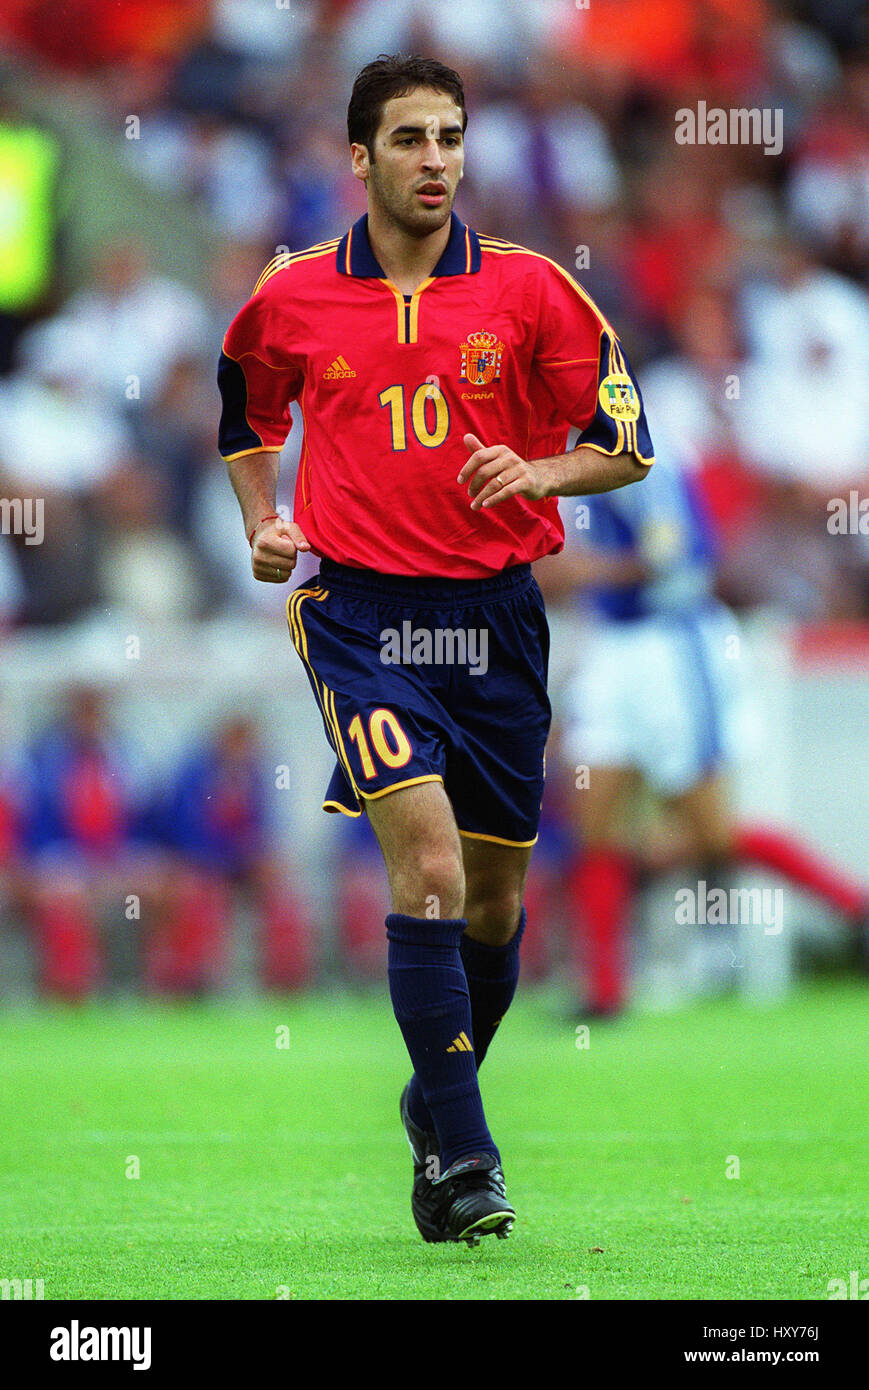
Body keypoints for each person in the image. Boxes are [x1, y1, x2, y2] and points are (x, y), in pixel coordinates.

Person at [217, 54, 654, 1245]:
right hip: (356, 616)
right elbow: (245, 410)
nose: (436, 160)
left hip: (496, 616)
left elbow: (624, 439)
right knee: (426, 872)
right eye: (409, 139)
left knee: (497, 908)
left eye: (450, 137)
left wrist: (541, 467)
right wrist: (264, 516)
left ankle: (433, 1095)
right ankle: (465, 1160)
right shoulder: (294, 292)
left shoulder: (529, 290)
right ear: (358, 158)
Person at [536, 432, 869, 1016]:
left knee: (711, 833)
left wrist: (581, 573)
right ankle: (606, 994)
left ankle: (855, 909)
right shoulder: (554, 451)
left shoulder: (632, 452)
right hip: (611, 649)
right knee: (595, 821)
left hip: (670, 649)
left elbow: (680, 559)